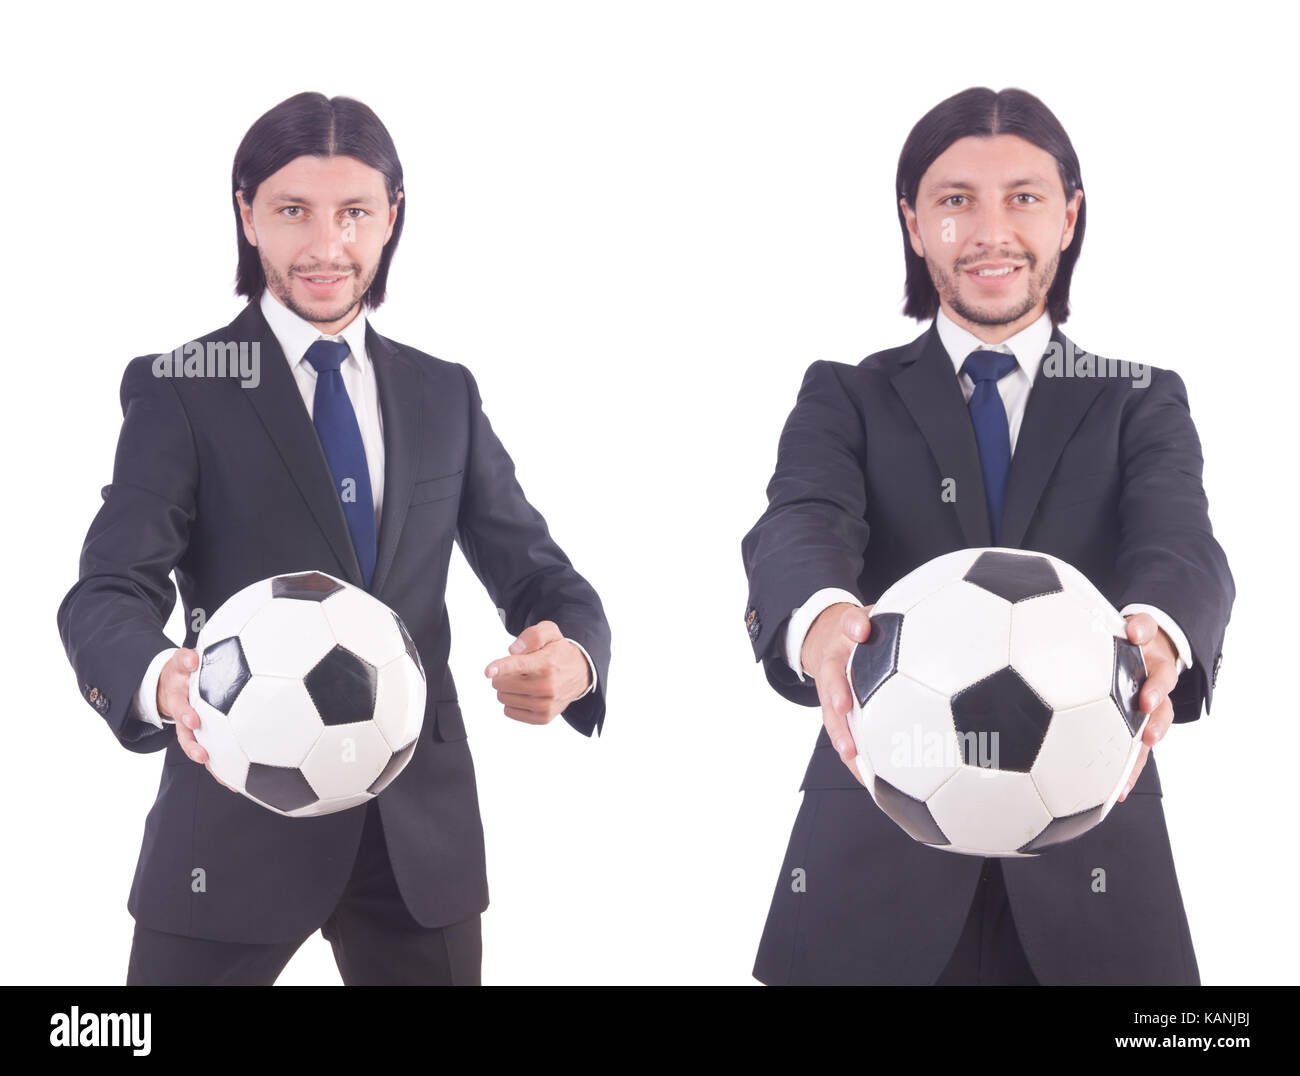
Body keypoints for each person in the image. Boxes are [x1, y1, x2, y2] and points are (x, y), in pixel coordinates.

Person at [56, 92, 610, 986]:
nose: (325, 247)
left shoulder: (445, 395)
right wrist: (164, 683)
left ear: (392, 216)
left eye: (354, 212)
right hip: (231, 825)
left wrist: (575, 657)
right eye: (291, 212)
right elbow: (108, 591)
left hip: (417, 849)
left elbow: (544, 580)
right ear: (246, 215)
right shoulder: (182, 387)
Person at [741, 86, 1233, 985]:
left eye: (1025, 197)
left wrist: (1160, 629)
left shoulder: (1140, 397)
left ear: (1070, 217)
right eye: (955, 200)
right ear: (914, 221)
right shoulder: (845, 395)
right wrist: (818, 622)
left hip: (1097, 871)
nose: (990, 230)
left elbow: (1181, 540)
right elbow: (800, 520)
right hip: (869, 871)